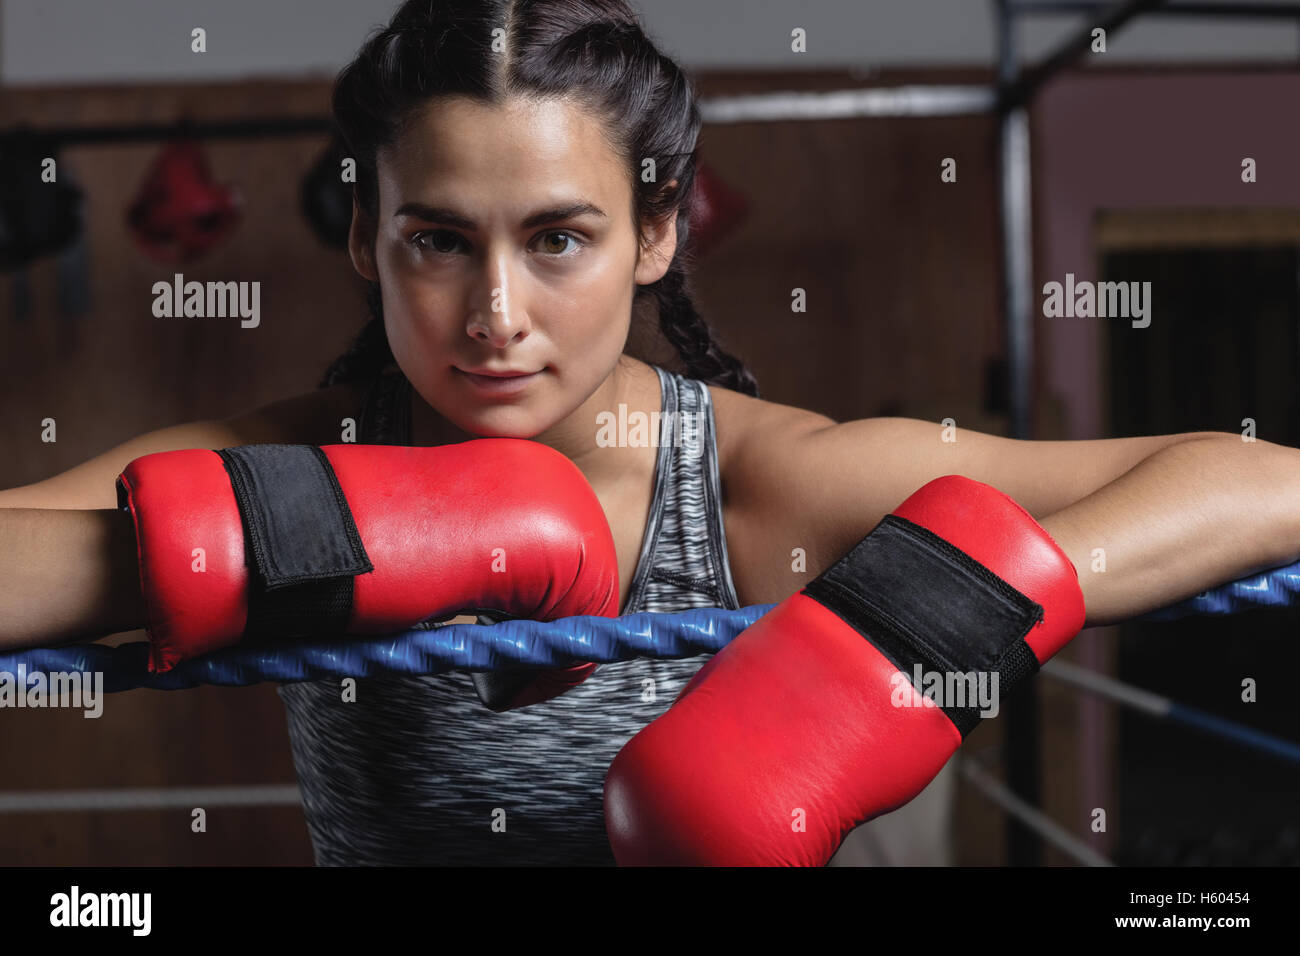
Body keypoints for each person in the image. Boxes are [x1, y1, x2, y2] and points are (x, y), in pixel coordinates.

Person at [4, 0, 1299, 866]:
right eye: (438, 240)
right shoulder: (299, 468)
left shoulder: (750, 487)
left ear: (657, 232)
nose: (496, 314)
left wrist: (933, 620)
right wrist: (290, 542)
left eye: (558, 239)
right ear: (364, 239)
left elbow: (1265, 480)